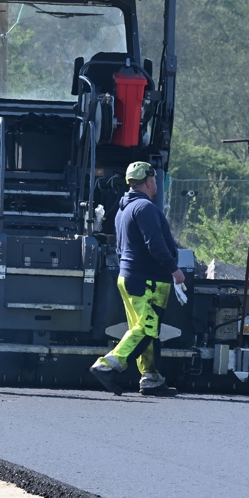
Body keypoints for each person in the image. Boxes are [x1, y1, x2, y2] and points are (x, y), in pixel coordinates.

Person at [89, 161, 185, 397]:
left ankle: (151, 378)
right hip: (148, 281)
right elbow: (156, 244)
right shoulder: (145, 208)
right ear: (150, 182)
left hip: (130, 277)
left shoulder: (124, 209)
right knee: (147, 328)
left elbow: (122, 247)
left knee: (143, 329)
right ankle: (108, 365)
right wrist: (174, 269)